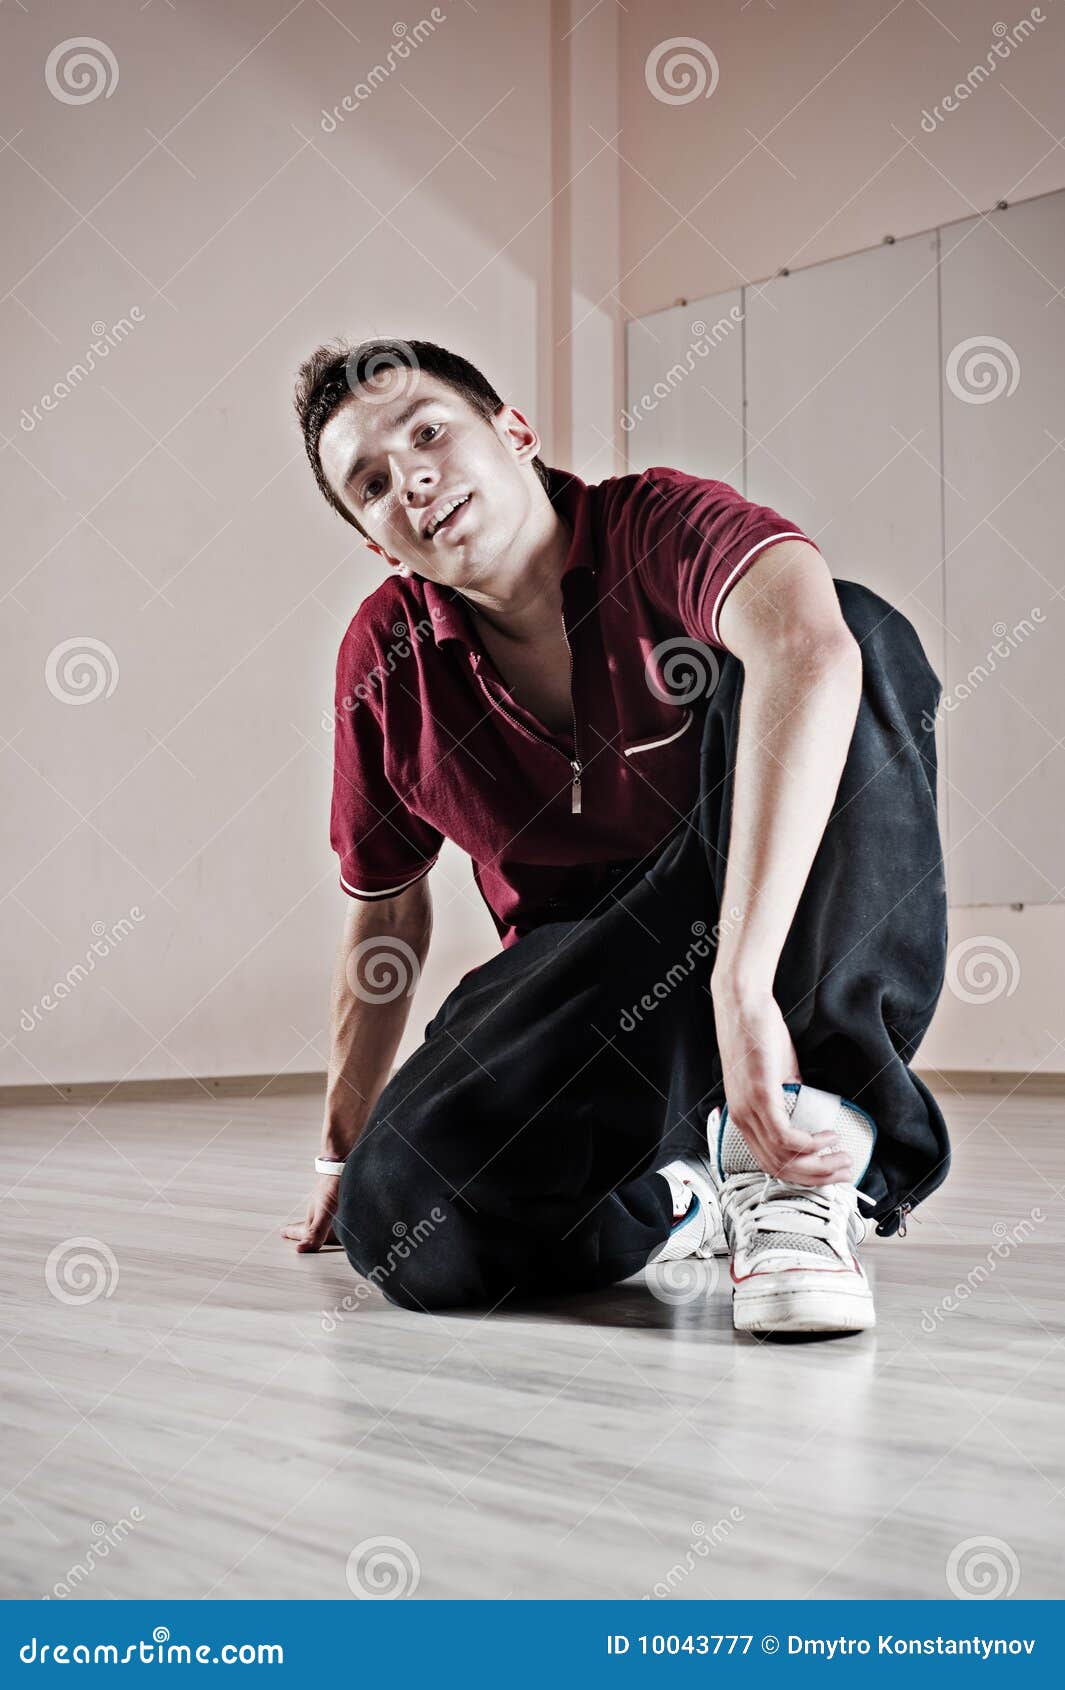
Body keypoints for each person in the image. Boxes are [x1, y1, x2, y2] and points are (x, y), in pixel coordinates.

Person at [281, 337, 950, 1336]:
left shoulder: (659, 523)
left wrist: (741, 986)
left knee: (854, 630)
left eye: (428, 434)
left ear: (514, 432)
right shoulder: (385, 656)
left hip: (758, 931)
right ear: (378, 542)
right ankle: (680, 1197)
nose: (410, 479)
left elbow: (808, 649)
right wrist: (341, 1156)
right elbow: (385, 915)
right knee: (402, 1221)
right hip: (583, 981)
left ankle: (804, 1158)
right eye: (371, 484)